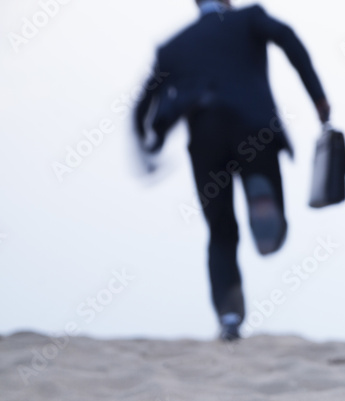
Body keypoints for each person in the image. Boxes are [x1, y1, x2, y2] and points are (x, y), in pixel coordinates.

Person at [133, 0, 330, 341]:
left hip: (206, 139)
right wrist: (319, 99)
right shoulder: (249, 19)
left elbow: (141, 107)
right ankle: (263, 202)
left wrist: (149, 146)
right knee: (268, 212)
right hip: (254, 130)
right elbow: (289, 39)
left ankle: (229, 317)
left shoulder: (174, 46)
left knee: (221, 232)